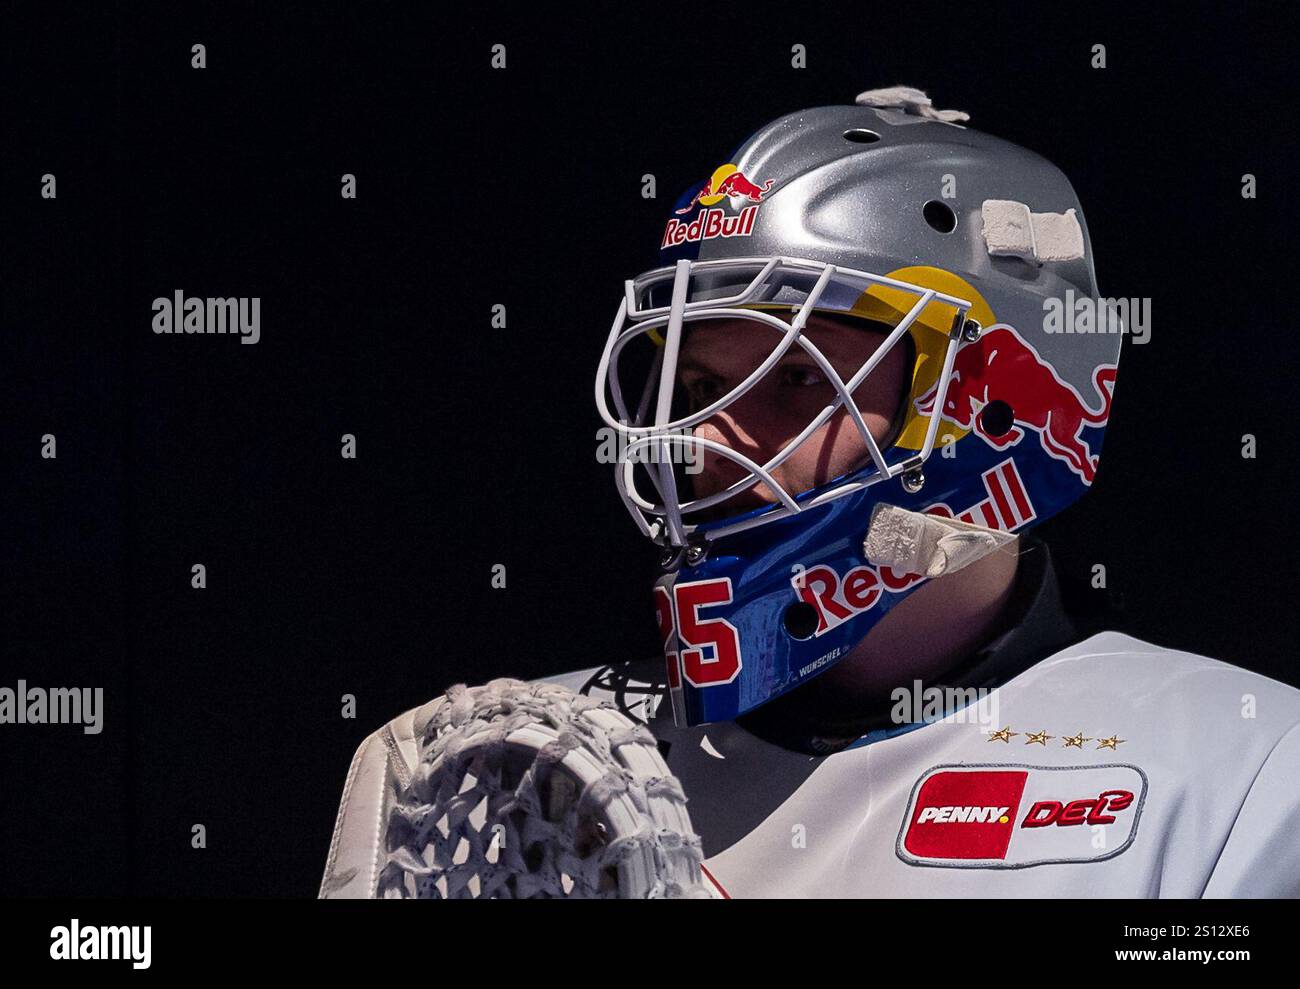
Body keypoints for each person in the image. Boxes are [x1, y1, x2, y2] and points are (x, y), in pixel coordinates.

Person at [322, 88, 1300, 898]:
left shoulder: (1243, 770)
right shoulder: (495, 775)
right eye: (701, 386)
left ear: (983, 399)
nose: (705, 437)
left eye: (797, 378)